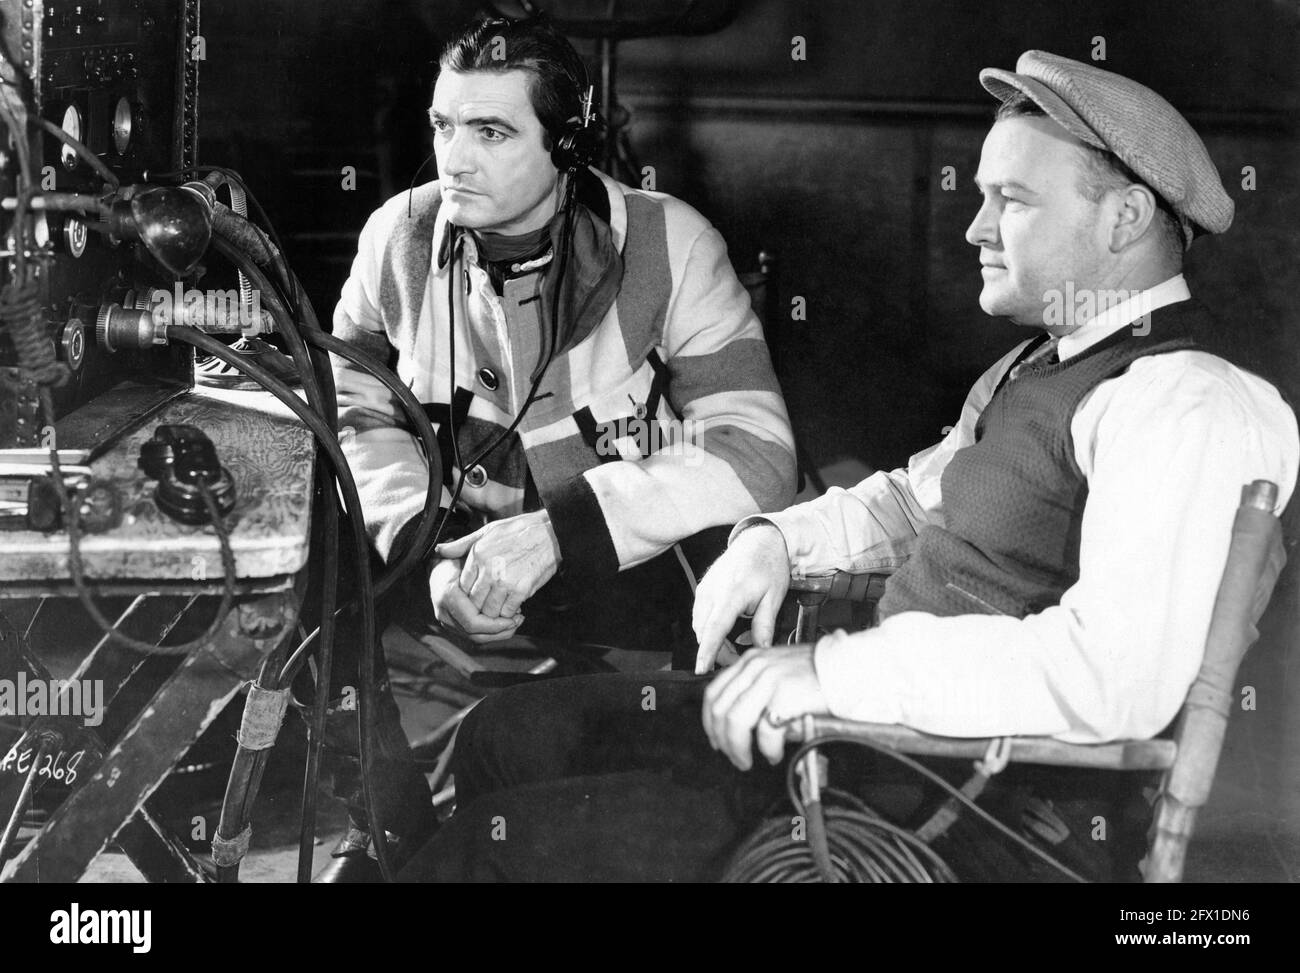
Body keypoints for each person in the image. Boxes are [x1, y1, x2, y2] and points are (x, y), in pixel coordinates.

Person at [396, 51, 1299, 882]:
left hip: (955, 809)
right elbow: (914, 500)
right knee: (501, 734)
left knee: (487, 854)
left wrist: (834, 675)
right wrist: (779, 542)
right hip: (869, 745)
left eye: (1013, 200)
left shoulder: (1186, 403)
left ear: (1126, 215)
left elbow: (1117, 678)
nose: (976, 225)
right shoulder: (1045, 363)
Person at [316, 16, 797, 881]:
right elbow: (350, 405)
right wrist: (418, 549)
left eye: (491, 131)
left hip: (620, 580)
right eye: (443, 126)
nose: (454, 159)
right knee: (314, 567)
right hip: (454, 568)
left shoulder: (668, 242)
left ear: (567, 144)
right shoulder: (399, 235)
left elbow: (759, 452)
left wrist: (559, 532)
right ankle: (387, 824)